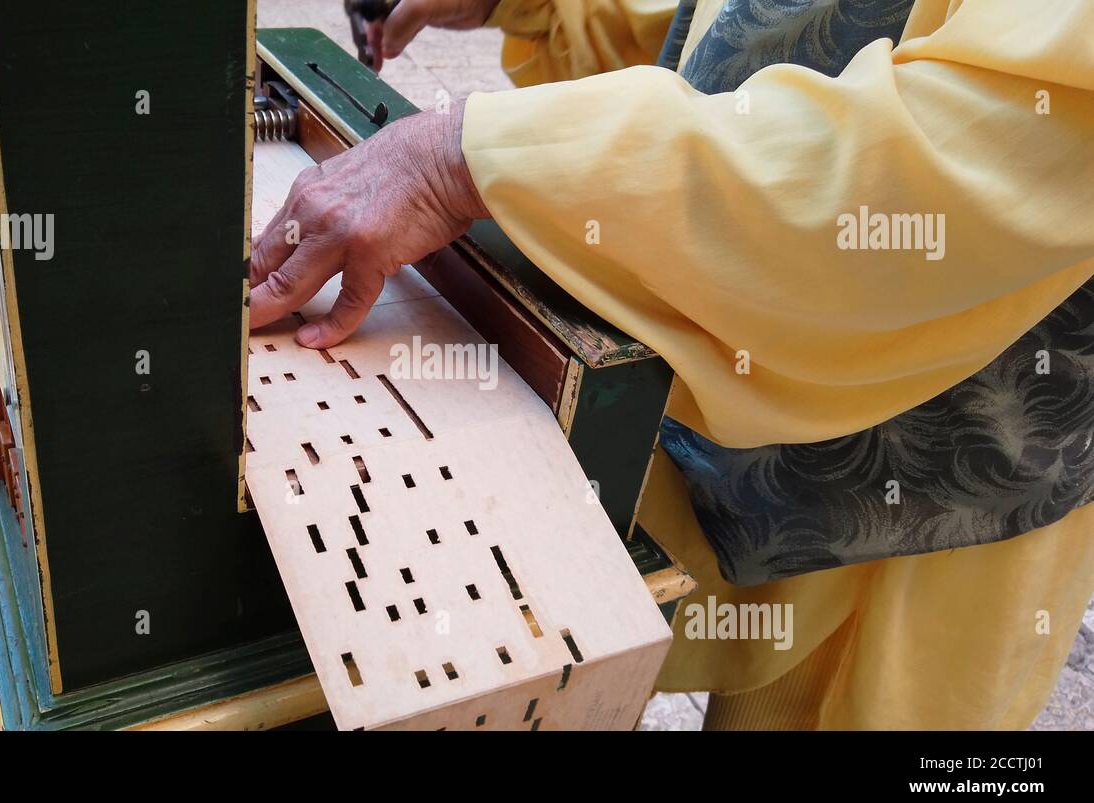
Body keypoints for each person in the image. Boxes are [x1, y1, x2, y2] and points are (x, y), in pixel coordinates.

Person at [249, 0, 1094, 728]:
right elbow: (757, 26)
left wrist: (470, 157)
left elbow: (970, 154)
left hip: (949, 493)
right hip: (760, 414)